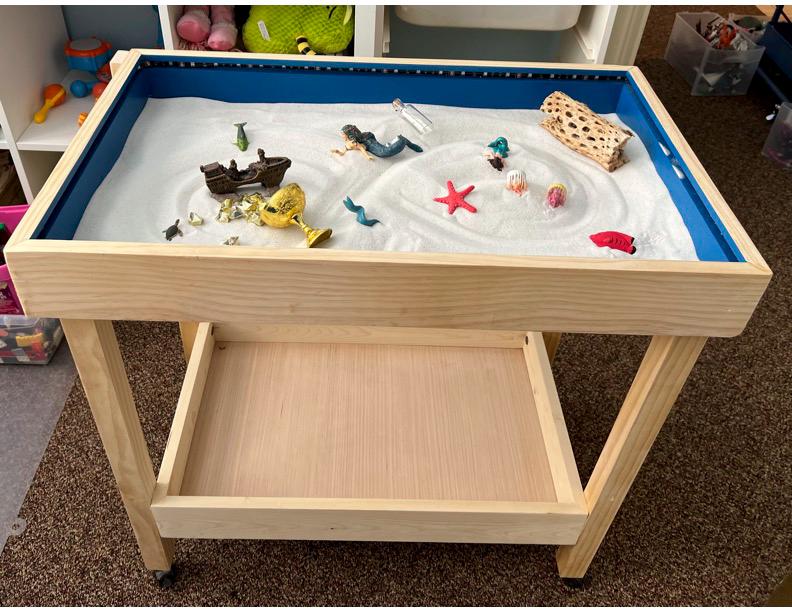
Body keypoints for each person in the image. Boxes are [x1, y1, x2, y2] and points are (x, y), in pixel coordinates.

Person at [331, 124, 423, 160]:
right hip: (365, 139)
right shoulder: (349, 143)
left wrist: (367, 156)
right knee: (384, 148)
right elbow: (344, 151)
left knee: (383, 152)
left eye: (343, 134)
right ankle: (395, 141)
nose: (341, 135)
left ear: (349, 134)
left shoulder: (355, 142)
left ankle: (403, 140)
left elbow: (362, 149)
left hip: (368, 141)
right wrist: (337, 151)